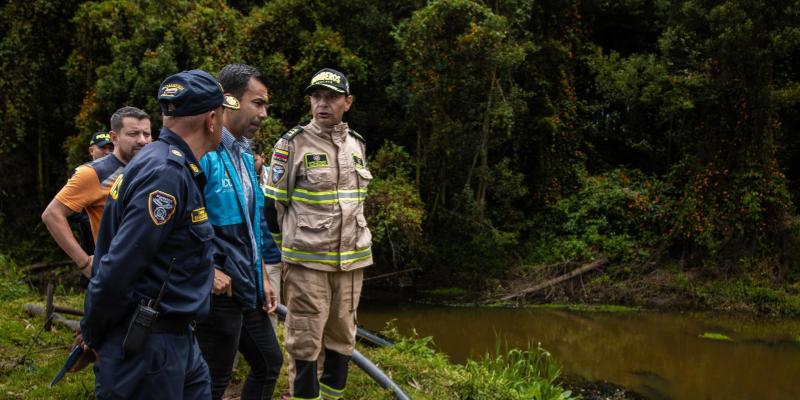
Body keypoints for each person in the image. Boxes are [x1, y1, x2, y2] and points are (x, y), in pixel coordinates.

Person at [78, 69, 235, 399]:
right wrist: (92, 334)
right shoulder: (166, 174)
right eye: (223, 113)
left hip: (176, 338)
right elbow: (119, 267)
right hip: (148, 346)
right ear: (211, 119)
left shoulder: (165, 162)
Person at [264, 68, 373, 400]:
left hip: (352, 263)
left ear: (347, 102)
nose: (322, 104)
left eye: (331, 97)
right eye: (317, 96)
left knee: (343, 338)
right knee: (305, 341)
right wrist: (291, 249)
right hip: (308, 263)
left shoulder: (357, 145)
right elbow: (273, 207)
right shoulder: (292, 143)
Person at [195, 63, 283, 400]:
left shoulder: (245, 155)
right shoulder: (204, 153)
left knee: (268, 362)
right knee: (213, 377)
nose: (263, 114)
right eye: (257, 103)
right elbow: (184, 226)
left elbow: (253, 223)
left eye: (265, 106)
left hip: (246, 284)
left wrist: (261, 272)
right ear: (229, 101)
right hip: (218, 291)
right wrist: (210, 270)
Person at [42, 107, 151, 280]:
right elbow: (52, 214)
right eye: (133, 134)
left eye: (147, 134)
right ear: (114, 137)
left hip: (152, 276)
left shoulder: (152, 168)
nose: (142, 140)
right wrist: (84, 262)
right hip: (115, 277)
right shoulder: (94, 172)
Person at [68, 130, 116, 260]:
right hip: (92, 239)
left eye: (110, 148)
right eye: (102, 148)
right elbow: (65, 209)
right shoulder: (84, 173)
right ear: (91, 151)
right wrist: (87, 220)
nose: (107, 152)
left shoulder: (121, 171)